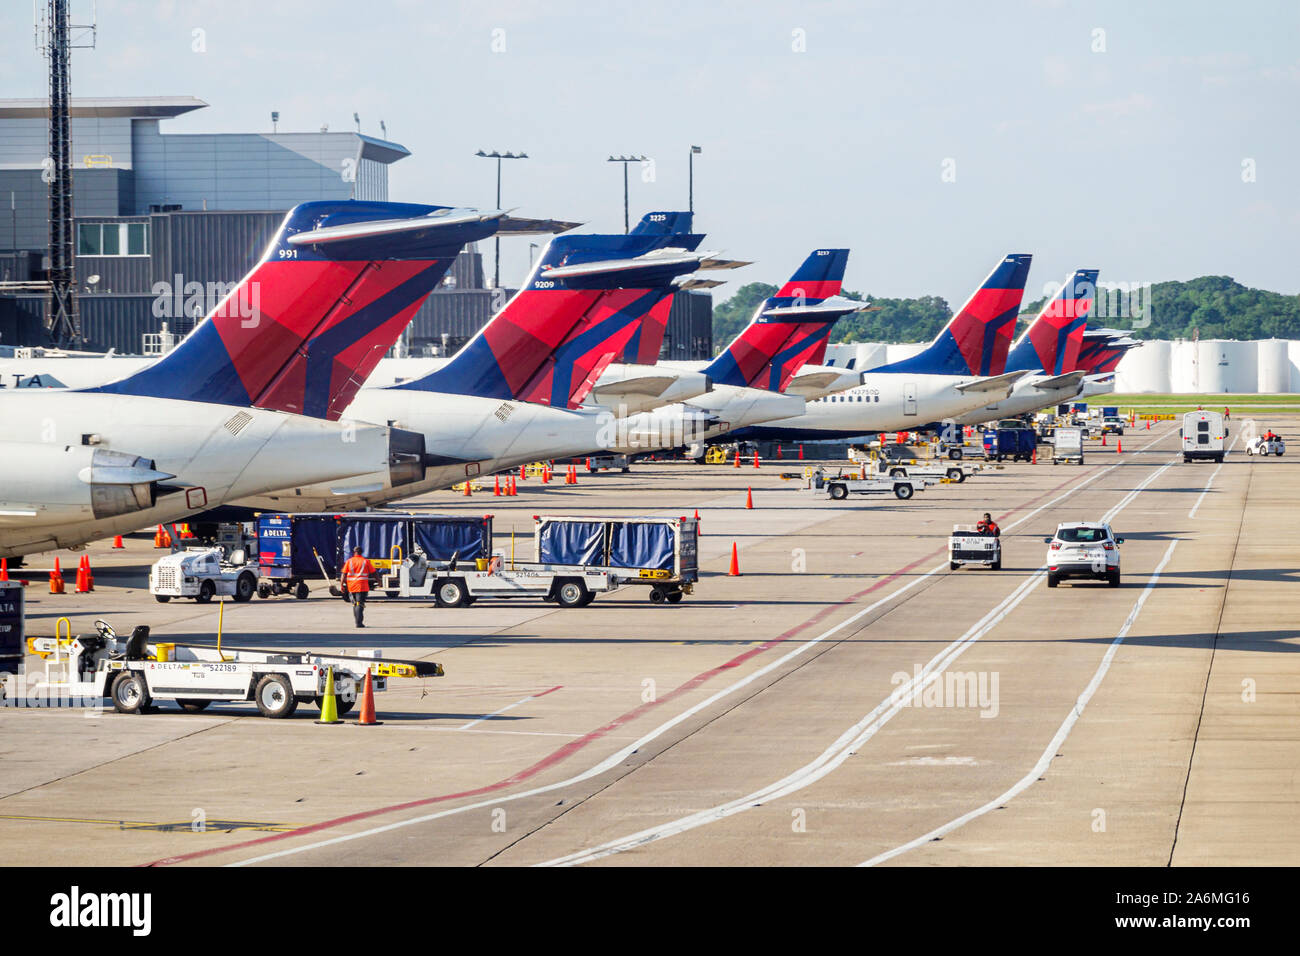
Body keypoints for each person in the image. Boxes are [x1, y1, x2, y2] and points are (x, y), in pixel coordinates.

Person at [340, 546, 376, 628]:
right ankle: (359, 623)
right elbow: (374, 572)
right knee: (360, 604)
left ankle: (357, 621)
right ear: (361, 552)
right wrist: (379, 581)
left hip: (351, 586)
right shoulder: (365, 561)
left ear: (354, 552)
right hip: (362, 586)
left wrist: (342, 585)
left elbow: (343, 574)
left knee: (355, 604)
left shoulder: (349, 561)